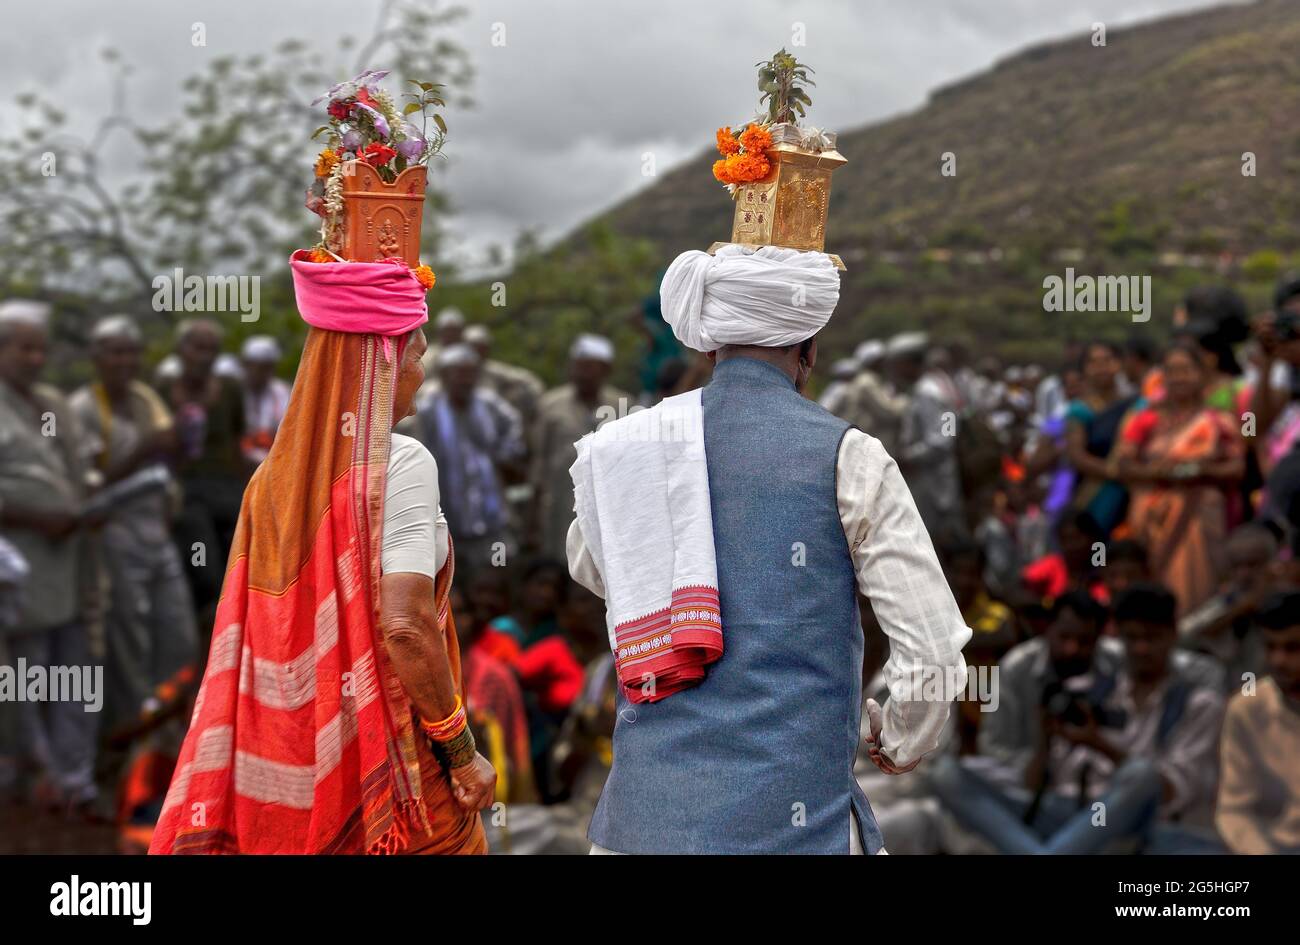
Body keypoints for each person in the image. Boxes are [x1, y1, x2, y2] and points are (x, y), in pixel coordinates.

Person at [566, 245, 972, 854]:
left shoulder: (623, 447)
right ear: (809, 351)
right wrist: (899, 738)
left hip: (641, 827)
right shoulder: (849, 455)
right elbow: (932, 651)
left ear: (708, 345)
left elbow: (598, 567)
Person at [150, 252, 494, 854]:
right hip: (386, 761)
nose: (421, 372)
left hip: (286, 759)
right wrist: (461, 753)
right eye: (416, 356)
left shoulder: (271, 477)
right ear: (381, 364)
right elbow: (406, 626)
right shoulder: (400, 462)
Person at [934, 586, 1225, 854]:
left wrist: (1097, 743)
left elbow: (1170, 792)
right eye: (1132, 638)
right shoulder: (1091, 690)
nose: (1141, 649)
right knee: (947, 774)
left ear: (1173, 634)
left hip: (1130, 825)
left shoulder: (1198, 705)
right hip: (1067, 814)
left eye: (1152, 638)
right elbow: (1038, 784)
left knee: (1141, 775)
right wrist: (1045, 739)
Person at [69, 315, 198, 735]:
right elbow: (86, 490)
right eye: (115, 352)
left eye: (131, 352)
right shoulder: (82, 410)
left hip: (156, 533)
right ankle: (132, 735)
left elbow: (171, 458)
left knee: (178, 634)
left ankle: (171, 728)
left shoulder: (145, 399)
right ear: (96, 358)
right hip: (114, 537)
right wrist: (144, 450)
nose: (125, 360)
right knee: (129, 638)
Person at [0, 300, 100, 814]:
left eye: (40, 347)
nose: (35, 357)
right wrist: (35, 516)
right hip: (17, 568)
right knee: (21, 678)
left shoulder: (52, 405)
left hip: (71, 561)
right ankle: (24, 778)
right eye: (24, 348)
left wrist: (90, 501)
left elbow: (78, 470)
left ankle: (72, 779)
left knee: (77, 676)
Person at [1117, 341, 1245, 615]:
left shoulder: (1219, 420)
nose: (1179, 378)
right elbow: (1124, 465)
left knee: (1198, 587)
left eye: (1186, 370)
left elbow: (1237, 468)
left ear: (1201, 375)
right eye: (1172, 371)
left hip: (1200, 515)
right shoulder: (1145, 418)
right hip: (1151, 515)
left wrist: (1199, 472)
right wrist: (1160, 473)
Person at [413, 343, 526, 577]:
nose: (465, 381)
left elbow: (514, 425)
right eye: (459, 373)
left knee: (497, 574)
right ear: (445, 375)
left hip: (490, 515)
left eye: (470, 373)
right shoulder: (428, 409)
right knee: (450, 580)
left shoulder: (488, 404)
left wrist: (506, 455)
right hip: (446, 514)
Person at [161, 319, 247, 617]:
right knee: (205, 571)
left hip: (226, 488)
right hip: (186, 489)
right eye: (197, 347)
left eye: (211, 349)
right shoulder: (163, 390)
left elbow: (237, 444)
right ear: (181, 351)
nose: (204, 356)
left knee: (237, 567)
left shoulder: (230, 390)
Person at [531, 334, 630, 562]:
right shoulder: (551, 405)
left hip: (609, 509)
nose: (581, 373)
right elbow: (538, 465)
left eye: (589, 367)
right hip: (560, 505)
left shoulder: (623, 405)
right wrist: (533, 521)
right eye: (577, 366)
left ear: (606, 369)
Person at [1216, 588, 1300, 854]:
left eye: (1293, 648)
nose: (1278, 660)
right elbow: (1234, 810)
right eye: (1270, 647)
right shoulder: (1246, 708)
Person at [1064, 340, 1140, 536]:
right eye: (1094, 362)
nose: (1102, 368)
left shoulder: (1136, 405)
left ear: (1119, 364)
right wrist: (1114, 472)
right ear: (1085, 369)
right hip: (1095, 490)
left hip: (1135, 487)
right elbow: (1077, 455)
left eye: (1108, 360)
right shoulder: (1080, 409)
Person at [893, 332, 964, 535]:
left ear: (909, 363)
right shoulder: (935, 386)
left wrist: (908, 457)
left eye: (899, 364)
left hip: (932, 486)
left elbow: (943, 441)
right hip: (937, 481)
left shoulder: (927, 393)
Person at [463, 323, 545, 429]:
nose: (477, 351)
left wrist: (536, 404)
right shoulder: (450, 369)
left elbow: (530, 381)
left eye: (482, 347)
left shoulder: (493, 370)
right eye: (473, 346)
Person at [238, 334, 291, 466]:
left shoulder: (280, 391)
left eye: (267, 367)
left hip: (270, 459)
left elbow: (285, 430)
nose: (262, 372)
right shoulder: (234, 390)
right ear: (246, 364)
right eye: (258, 366)